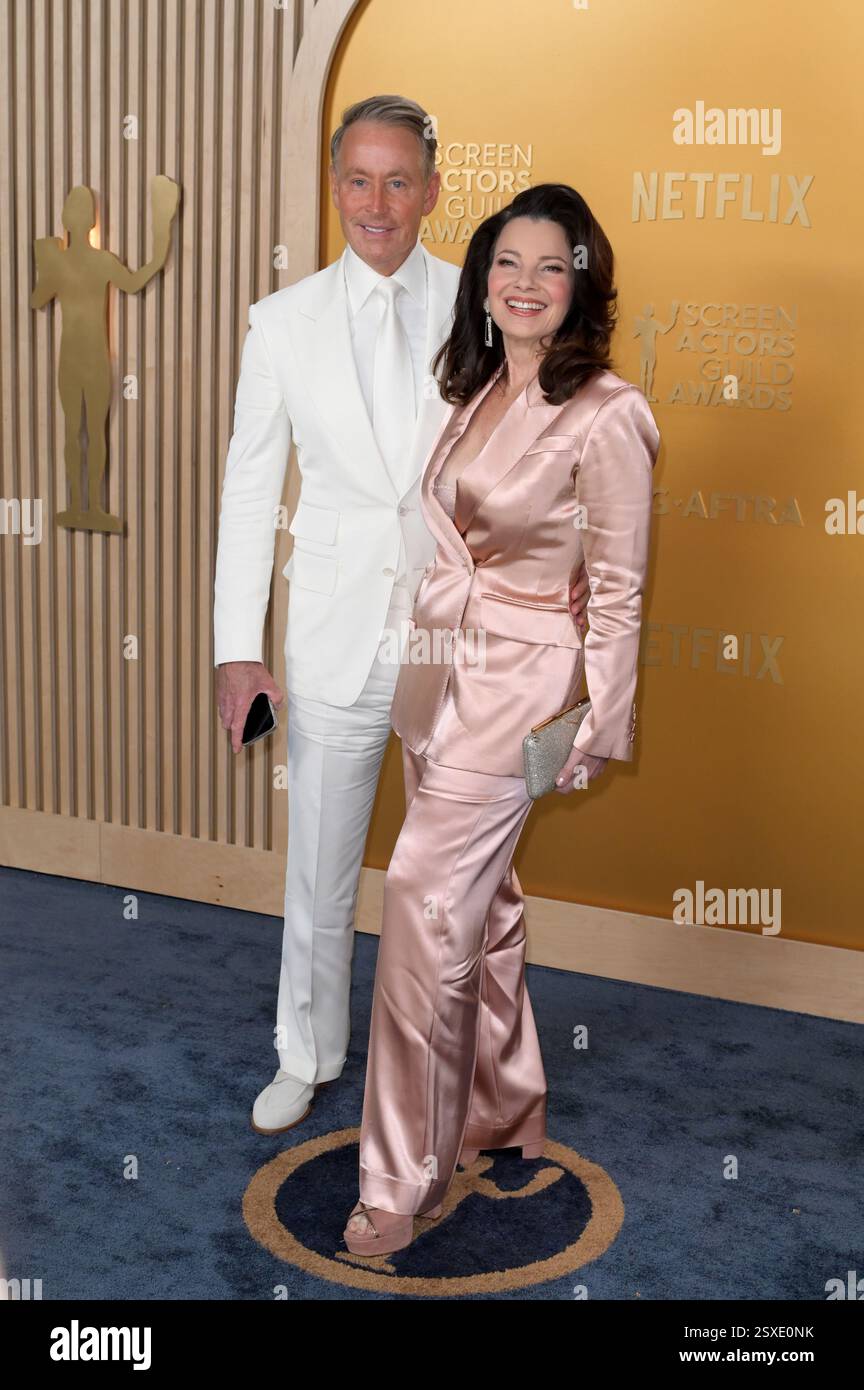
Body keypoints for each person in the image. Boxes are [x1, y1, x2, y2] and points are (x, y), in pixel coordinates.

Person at [213, 99, 590, 1135]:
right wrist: (235, 647)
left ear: (431, 188)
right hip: (330, 633)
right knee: (320, 866)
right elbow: (249, 490)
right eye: (356, 180)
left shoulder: (484, 304)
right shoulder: (278, 324)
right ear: (333, 185)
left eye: (397, 181)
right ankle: (306, 1050)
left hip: (453, 638)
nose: (375, 203)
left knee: (457, 881)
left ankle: (460, 1068)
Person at [344, 182, 661, 1254]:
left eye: (551, 267)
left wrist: (594, 718)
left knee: (423, 912)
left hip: (519, 688)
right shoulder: (473, 388)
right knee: (486, 903)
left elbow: (617, 587)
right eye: (508, 265)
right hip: (439, 676)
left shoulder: (612, 414)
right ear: (484, 281)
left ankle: (401, 1173)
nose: (526, 285)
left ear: (583, 286)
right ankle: (500, 1101)